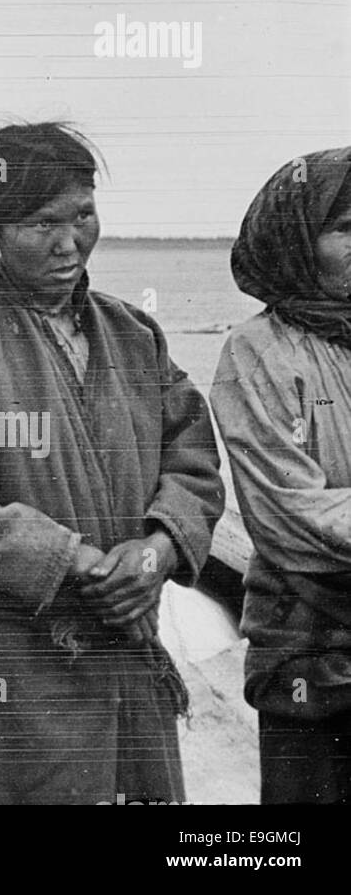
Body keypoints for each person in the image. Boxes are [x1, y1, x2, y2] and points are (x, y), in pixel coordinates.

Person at [0, 122, 225, 804]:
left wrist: (157, 552)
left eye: (82, 215)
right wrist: (80, 563)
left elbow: (192, 458)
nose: (69, 242)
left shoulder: (132, 334)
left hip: (122, 654)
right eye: (42, 222)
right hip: (5, 665)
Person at [211, 147, 351, 804]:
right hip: (310, 649)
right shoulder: (257, 352)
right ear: (296, 243)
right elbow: (290, 513)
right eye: (344, 230)